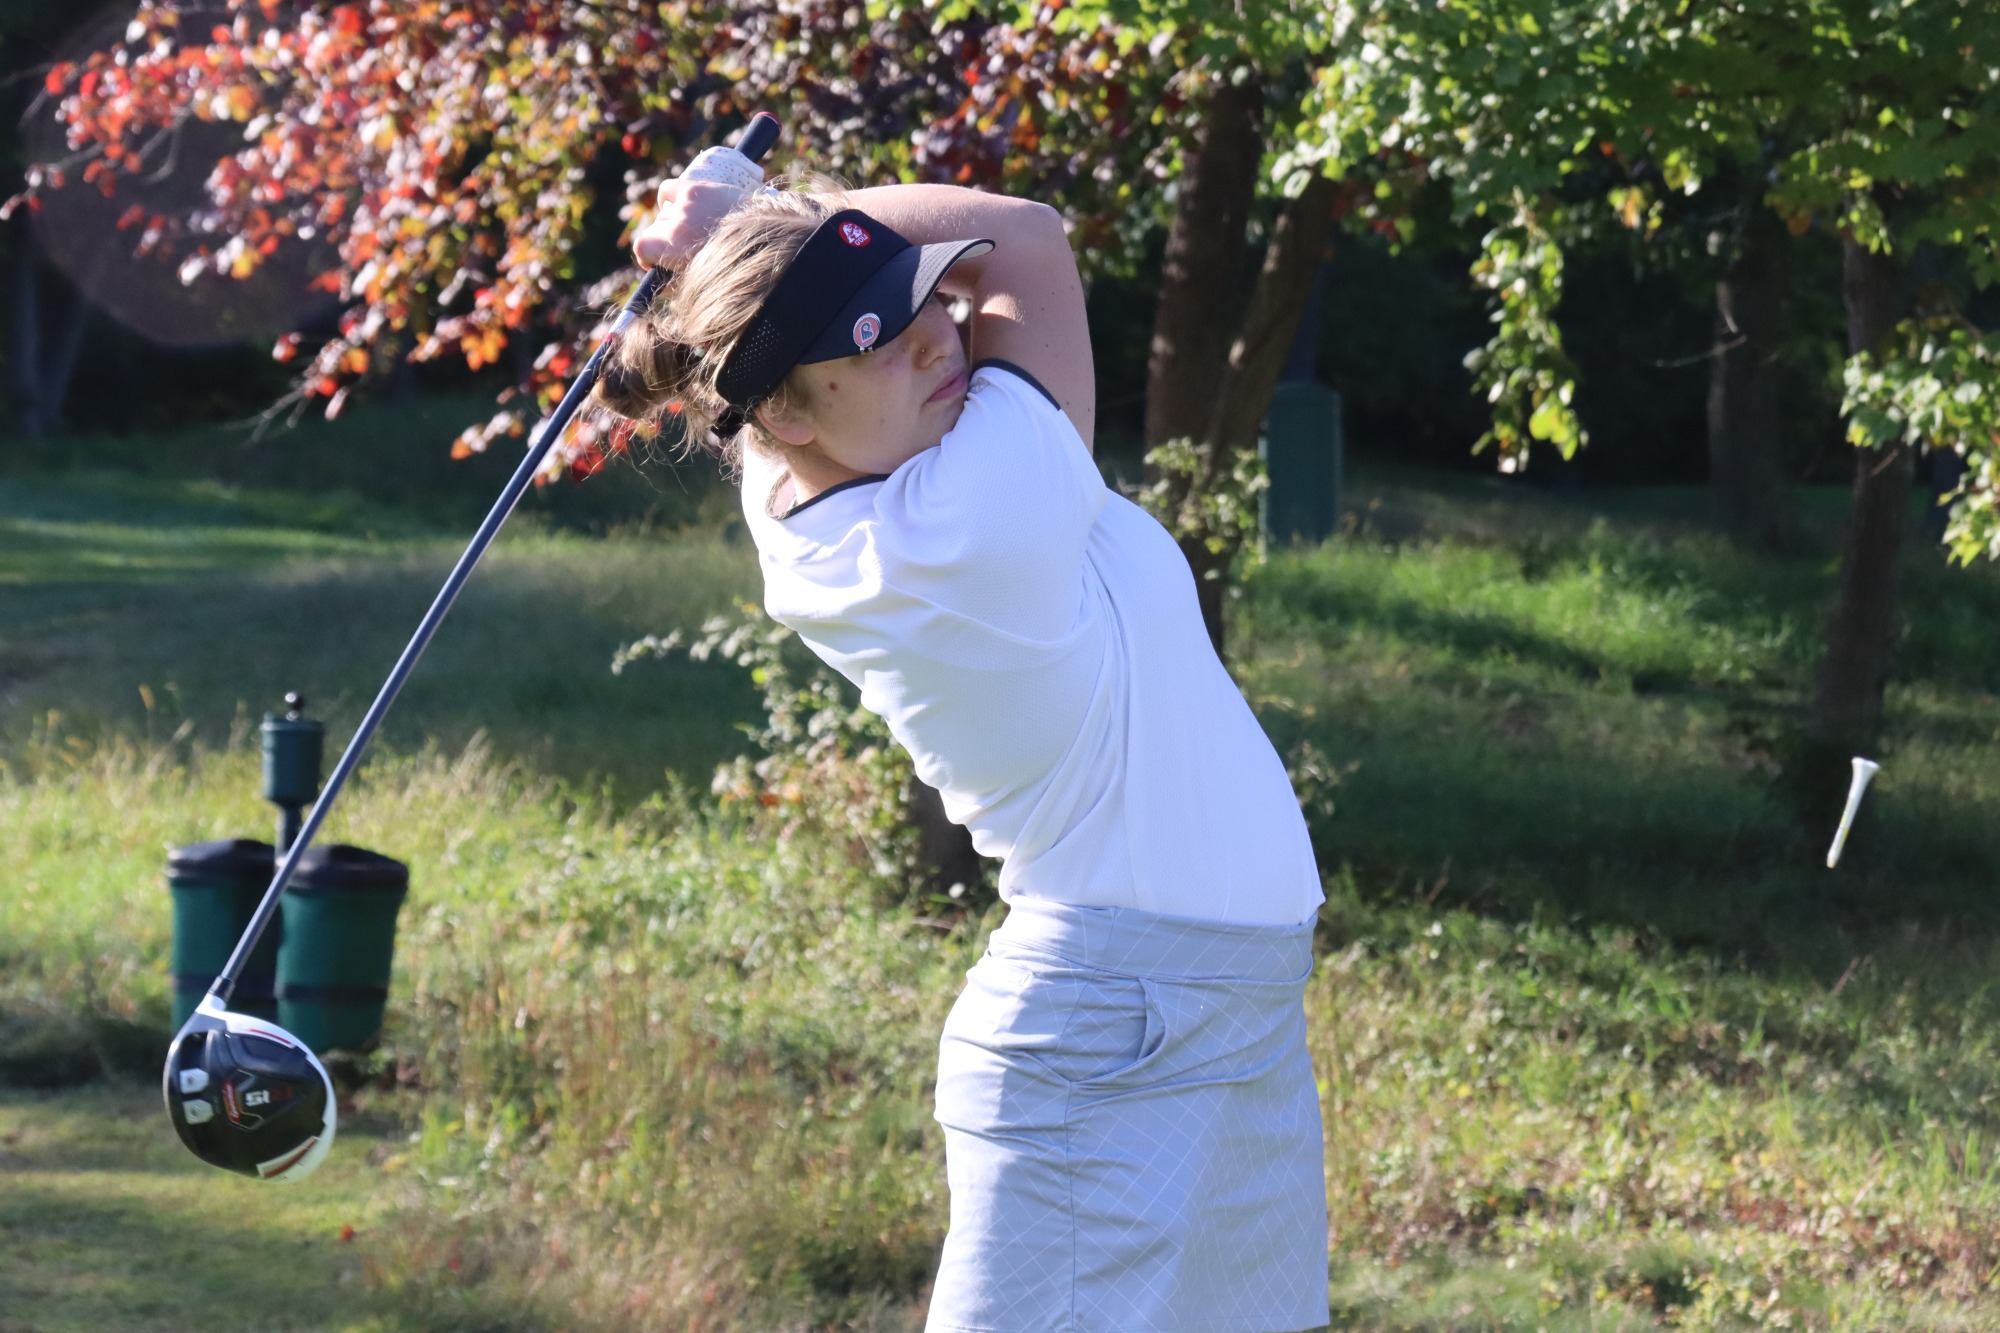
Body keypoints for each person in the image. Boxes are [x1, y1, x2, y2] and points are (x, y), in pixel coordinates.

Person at [608, 158, 1329, 1333]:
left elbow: (932, 292)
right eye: (875, 332)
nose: (935, 338)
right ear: (787, 407)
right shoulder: (968, 518)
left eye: (921, 296)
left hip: (1212, 1022)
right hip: (1117, 1032)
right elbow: (1025, 240)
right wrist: (748, 217)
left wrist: (757, 247)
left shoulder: (808, 477)